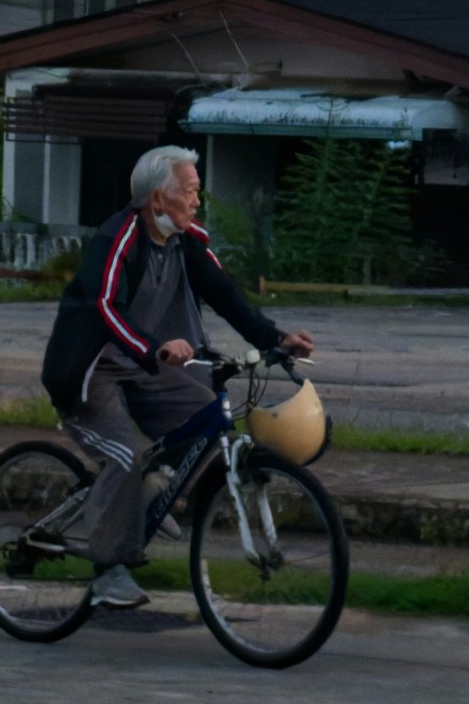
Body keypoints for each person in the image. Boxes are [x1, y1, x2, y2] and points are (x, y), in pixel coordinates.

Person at [39, 144, 314, 608]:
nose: (197, 201)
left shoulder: (187, 239)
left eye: (197, 192)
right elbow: (104, 306)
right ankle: (108, 569)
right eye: (189, 192)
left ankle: (149, 495)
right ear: (158, 200)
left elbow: (226, 295)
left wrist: (275, 338)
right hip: (92, 370)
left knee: (206, 417)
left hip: (145, 364)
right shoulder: (119, 238)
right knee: (127, 455)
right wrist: (152, 346)